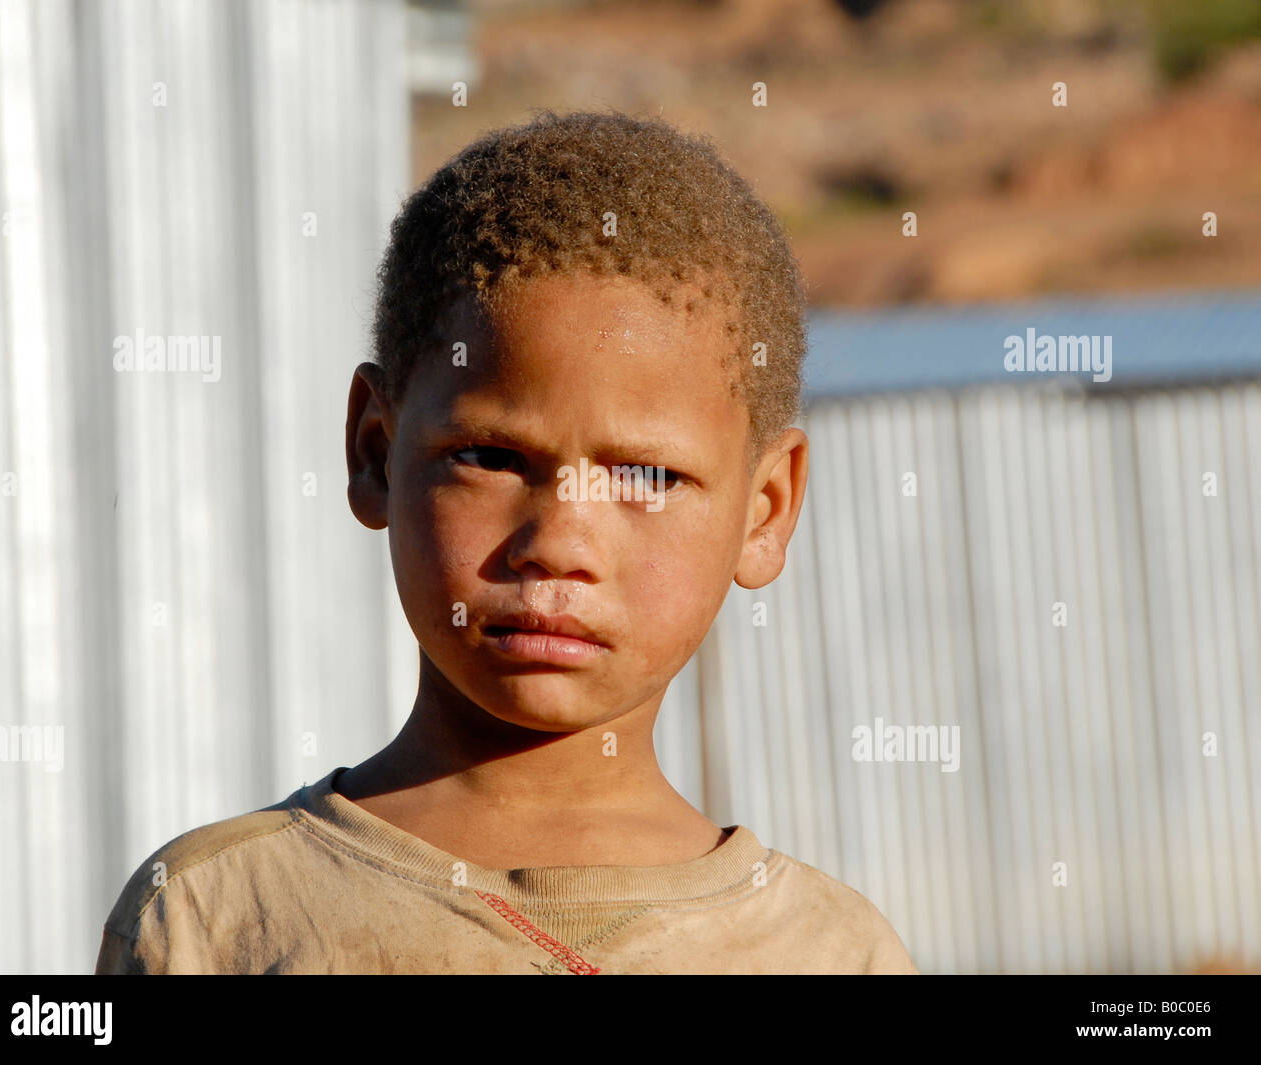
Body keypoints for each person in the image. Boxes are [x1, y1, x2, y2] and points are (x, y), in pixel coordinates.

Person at [95, 109, 918, 974]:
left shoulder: (826, 951)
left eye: (646, 476)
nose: (558, 543)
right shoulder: (213, 918)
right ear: (375, 451)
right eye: (491, 457)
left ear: (765, 510)